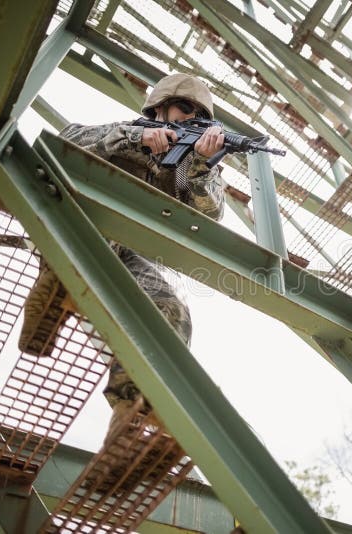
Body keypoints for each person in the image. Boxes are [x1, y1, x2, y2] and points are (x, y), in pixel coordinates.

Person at [20, 72, 225, 442]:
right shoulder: (127, 133)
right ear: (159, 109)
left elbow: (209, 217)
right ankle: (54, 295)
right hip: (78, 230)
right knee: (101, 235)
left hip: (129, 254)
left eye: (200, 116)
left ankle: (132, 411)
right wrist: (136, 140)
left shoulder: (197, 166)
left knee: (173, 310)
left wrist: (199, 166)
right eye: (184, 107)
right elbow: (67, 140)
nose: (190, 118)